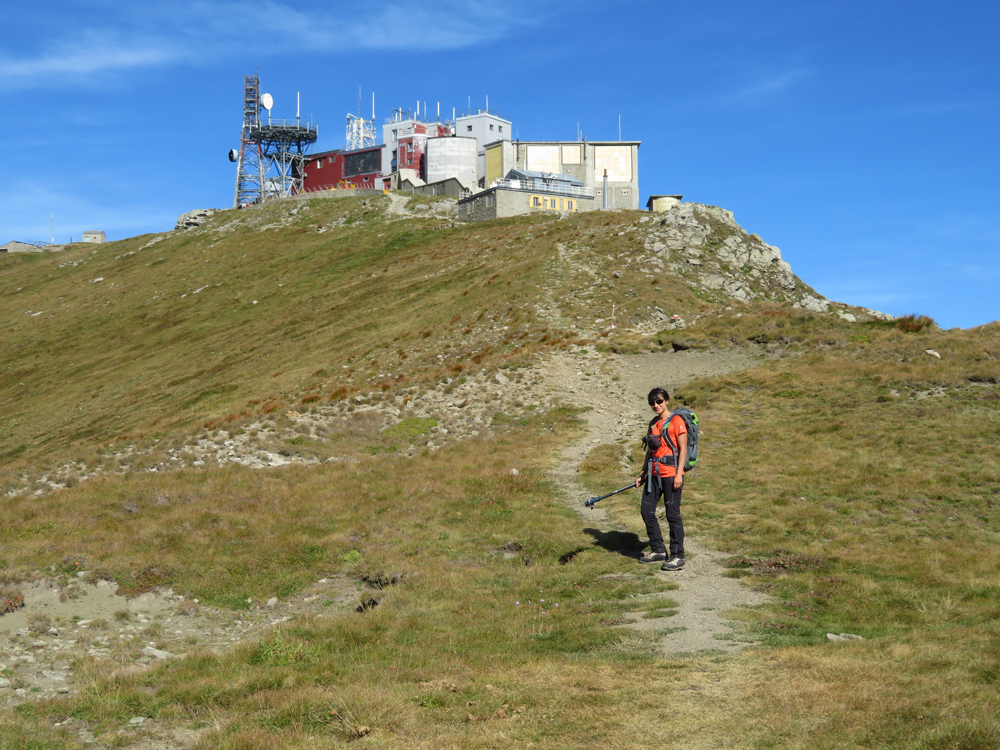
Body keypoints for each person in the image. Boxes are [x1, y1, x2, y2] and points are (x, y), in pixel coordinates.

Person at [635, 387, 687, 571]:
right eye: (652, 403)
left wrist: (679, 473)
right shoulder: (653, 423)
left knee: (672, 515)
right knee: (646, 511)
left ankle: (677, 555)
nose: (655, 405)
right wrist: (642, 473)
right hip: (654, 475)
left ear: (666, 400)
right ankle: (658, 550)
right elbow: (650, 450)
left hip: (671, 475)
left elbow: (683, 449)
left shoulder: (677, 421)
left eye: (659, 401)